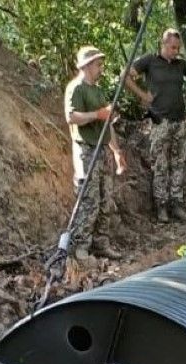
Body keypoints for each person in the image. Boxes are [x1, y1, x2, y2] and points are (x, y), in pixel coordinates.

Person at [127, 29, 186, 223]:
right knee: (160, 164)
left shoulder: (180, 64)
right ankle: (161, 206)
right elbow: (126, 76)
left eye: (178, 48)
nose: (175, 51)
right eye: (172, 48)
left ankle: (177, 203)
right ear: (163, 44)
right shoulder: (150, 61)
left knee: (178, 163)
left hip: (179, 121)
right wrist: (143, 95)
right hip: (160, 121)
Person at [64, 46, 125, 265]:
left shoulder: (98, 91)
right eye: (98, 65)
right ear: (87, 66)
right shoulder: (76, 88)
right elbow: (72, 117)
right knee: (88, 199)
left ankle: (101, 243)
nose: (101, 68)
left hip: (102, 151)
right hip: (86, 150)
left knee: (105, 199)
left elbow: (107, 123)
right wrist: (97, 114)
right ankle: (81, 247)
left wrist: (116, 151)